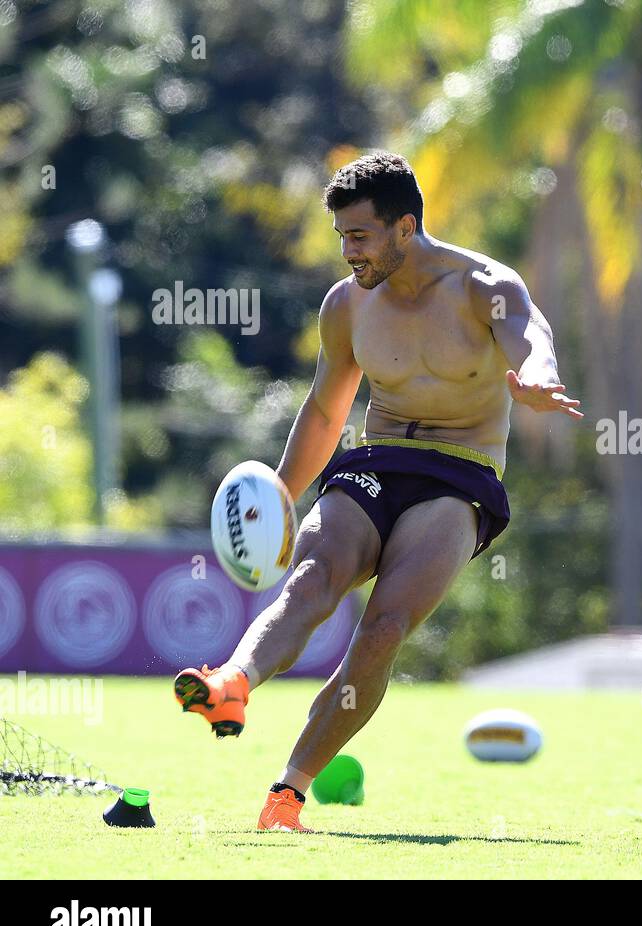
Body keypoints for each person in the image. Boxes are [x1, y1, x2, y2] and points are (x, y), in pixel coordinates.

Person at [173, 151, 582, 832]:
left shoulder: (484, 284)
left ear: (405, 227)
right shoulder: (346, 305)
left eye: (359, 236)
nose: (348, 252)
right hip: (375, 462)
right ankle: (231, 683)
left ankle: (288, 793)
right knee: (311, 578)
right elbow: (326, 412)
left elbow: (530, 334)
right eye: (341, 238)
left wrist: (537, 375)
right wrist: (282, 493)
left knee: (383, 629)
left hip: (460, 474)